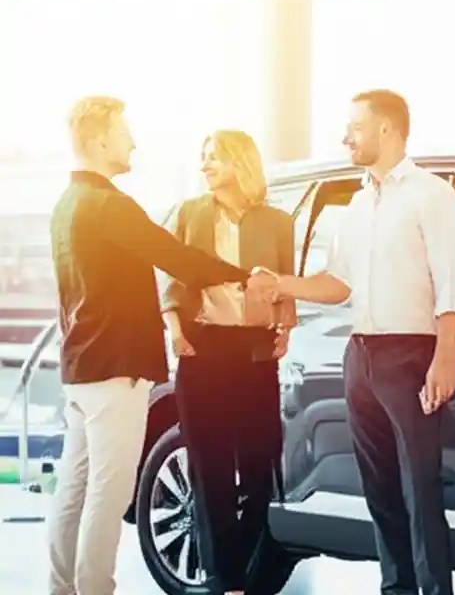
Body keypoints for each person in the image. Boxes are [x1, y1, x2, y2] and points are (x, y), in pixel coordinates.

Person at [47, 96, 271, 595]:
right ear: (100, 140)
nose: (132, 142)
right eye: (124, 133)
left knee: (74, 489)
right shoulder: (109, 205)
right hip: (115, 369)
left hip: (81, 368)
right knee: (109, 491)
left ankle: (61, 588)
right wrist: (245, 277)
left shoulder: (67, 203)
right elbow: (177, 259)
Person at [257, 90, 455, 595]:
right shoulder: (357, 203)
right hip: (361, 357)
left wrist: (444, 357)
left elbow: (452, 281)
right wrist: (283, 284)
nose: (344, 136)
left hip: (412, 355)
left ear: (387, 130)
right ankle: (395, 587)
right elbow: (339, 283)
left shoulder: (431, 194)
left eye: (355, 126)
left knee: (420, 488)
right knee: (379, 490)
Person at [158, 130, 295, 595]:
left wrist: (285, 327)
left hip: (256, 353)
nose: (204, 166)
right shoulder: (190, 214)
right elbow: (173, 277)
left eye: (213, 157)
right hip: (203, 350)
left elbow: (285, 281)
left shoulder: (278, 221)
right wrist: (175, 330)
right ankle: (225, 581)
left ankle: (252, 576)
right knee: (209, 468)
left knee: (260, 466)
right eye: (203, 158)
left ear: (240, 162)